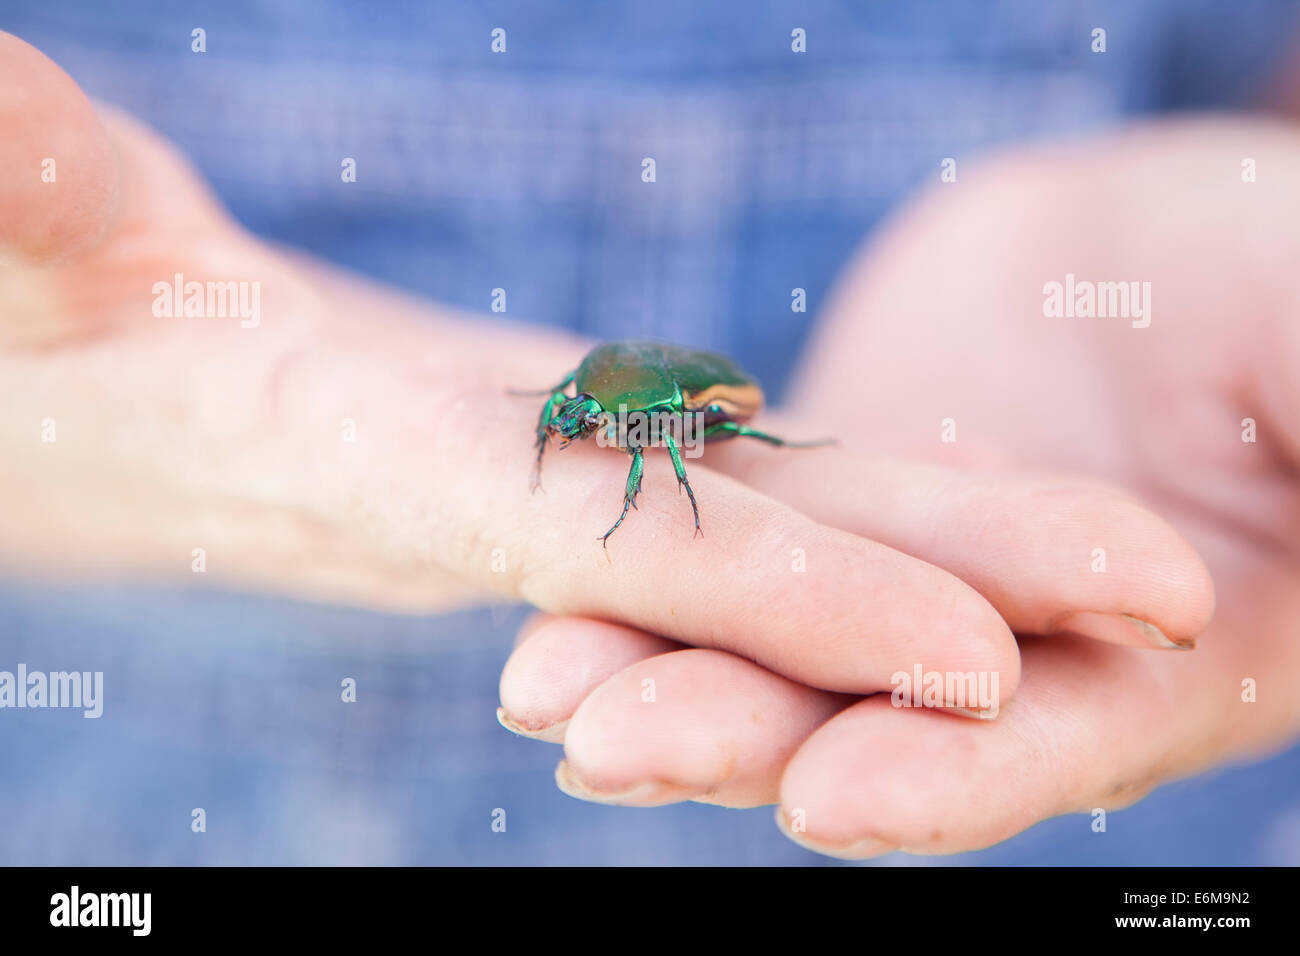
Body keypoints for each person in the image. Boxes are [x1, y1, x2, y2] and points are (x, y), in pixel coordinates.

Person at [2, 6, 1298, 862]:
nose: (572, 430)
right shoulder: (585, 396)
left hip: (1135, 827)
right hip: (132, 805)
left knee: (753, 495)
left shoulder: (650, 414)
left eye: (578, 422)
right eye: (571, 423)